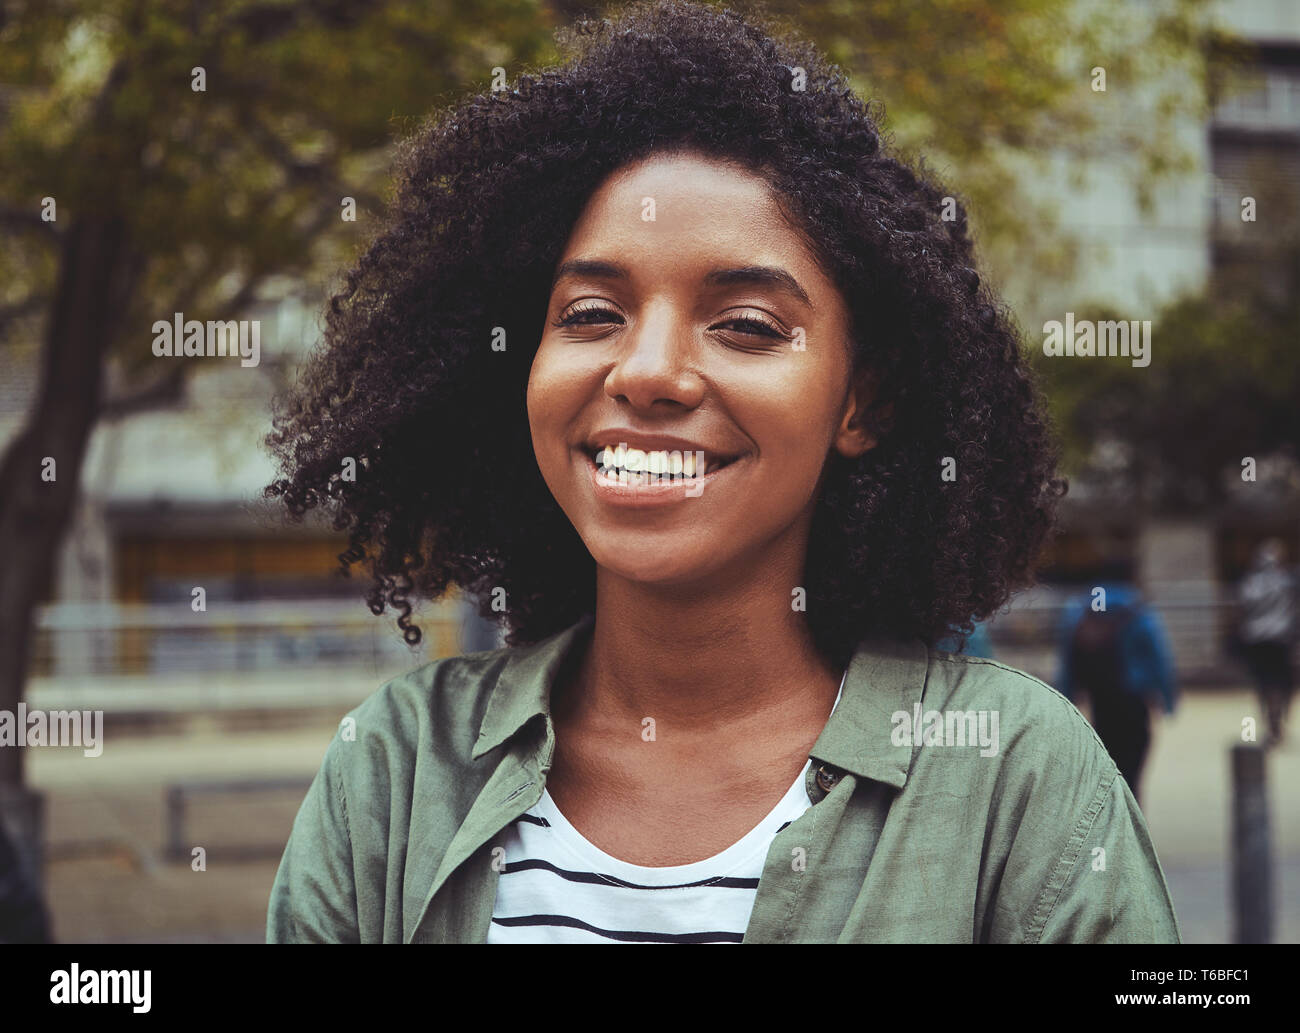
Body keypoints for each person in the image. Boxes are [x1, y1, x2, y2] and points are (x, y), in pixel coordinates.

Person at [263, 0, 1179, 943]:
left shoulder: (1016, 776)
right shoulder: (394, 765)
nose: (647, 370)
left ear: (862, 405)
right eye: (589, 313)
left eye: (746, 324)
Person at [1055, 567, 1178, 806]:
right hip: (1133, 698)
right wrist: (1168, 698)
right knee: (1132, 765)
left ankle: (1109, 820)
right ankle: (1132, 818)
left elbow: (1067, 659)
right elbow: (1160, 657)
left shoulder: (1079, 609)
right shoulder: (1138, 609)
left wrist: (1067, 696)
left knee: (1107, 764)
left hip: (1099, 699)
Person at [1236, 539, 1296, 747]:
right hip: (1280, 638)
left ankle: (1270, 720)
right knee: (1281, 682)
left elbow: (1243, 610)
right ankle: (1276, 718)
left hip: (1256, 639)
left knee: (1263, 682)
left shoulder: (1249, 583)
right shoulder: (1286, 581)